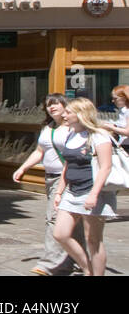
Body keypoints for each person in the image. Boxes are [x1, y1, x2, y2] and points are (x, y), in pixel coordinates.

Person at [13, 94, 82, 276]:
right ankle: (80, 260)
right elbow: (39, 151)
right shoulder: (48, 127)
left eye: (55, 104)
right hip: (50, 178)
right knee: (74, 221)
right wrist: (23, 168)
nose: (51, 108)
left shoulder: (73, 128)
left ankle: (50, 263)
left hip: (66, 178)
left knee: (54, 218)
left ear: (64, 106)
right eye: (48, 105)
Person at [52, 97, 117, 277]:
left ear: (81, 114)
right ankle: (87, 269)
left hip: (92, 191)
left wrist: (94, 194)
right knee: (60, 233)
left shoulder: (98, 135)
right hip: (71, 192)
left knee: (93, 240)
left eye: (69, 112)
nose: (64, 115)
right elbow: (67, 165)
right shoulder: (70, 134)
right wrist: (59, 191)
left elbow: (106, 167)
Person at [98, 85, 129, 151]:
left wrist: (111, 127)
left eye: (115, 98)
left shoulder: (127, 111)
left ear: (125, 98)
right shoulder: (123, 111)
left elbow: (127, 132)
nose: (112, 101)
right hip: (124, 144)